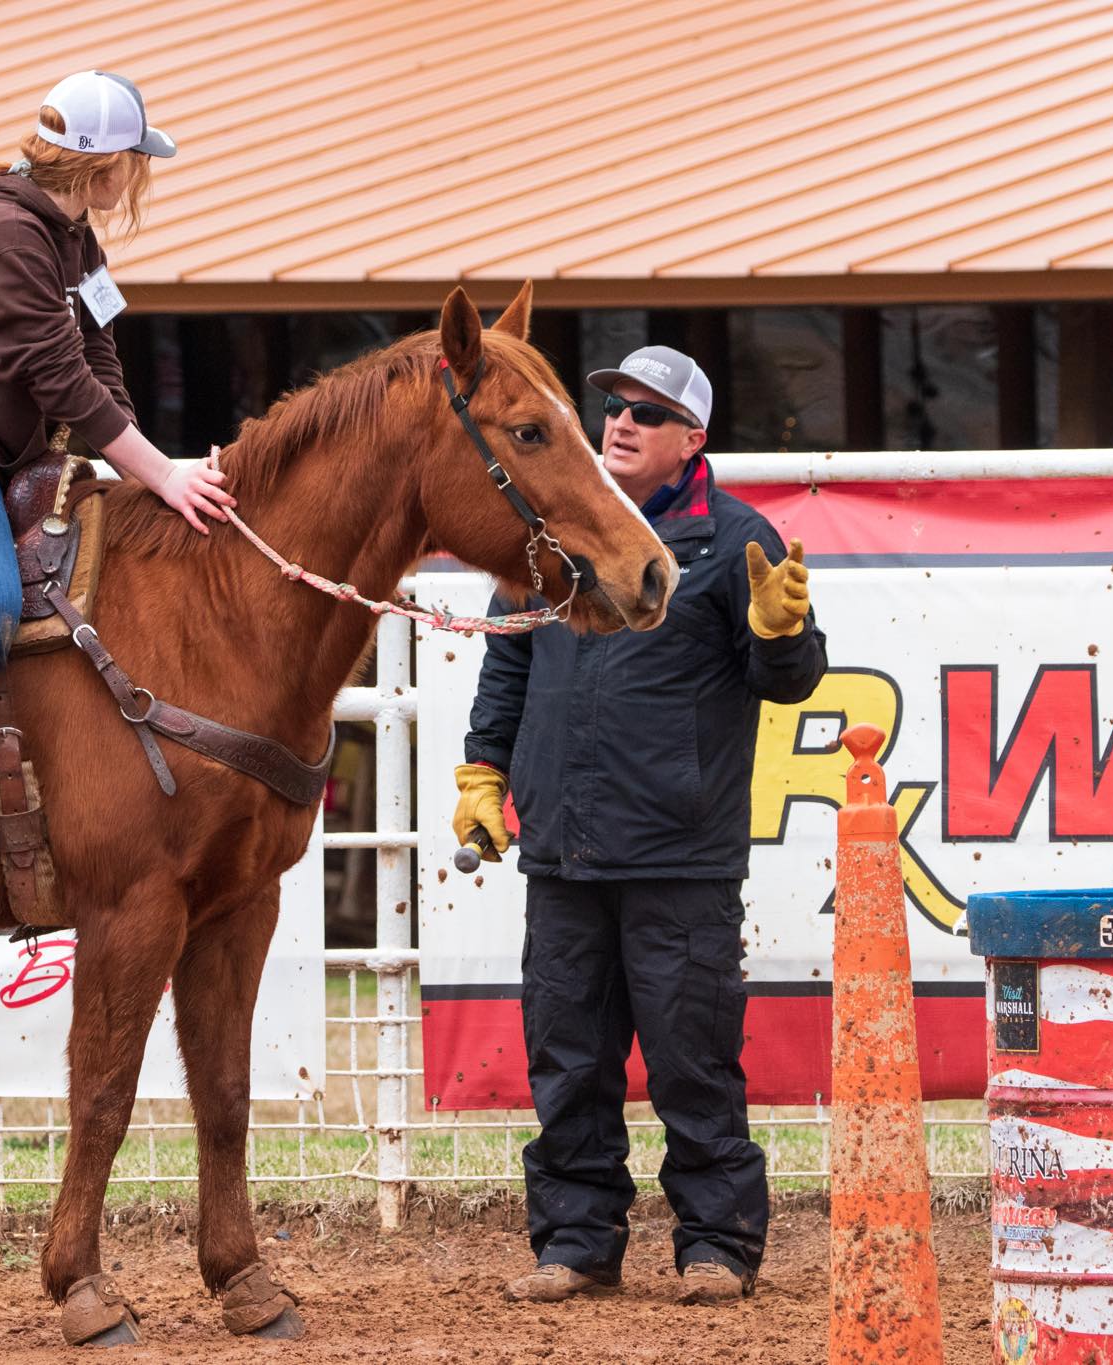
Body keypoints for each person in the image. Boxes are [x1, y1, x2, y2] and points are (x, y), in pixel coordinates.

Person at [453, 345, 828, 1305]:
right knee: (568, 1063)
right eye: (615, 405)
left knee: (693, 1061)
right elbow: (508, 669)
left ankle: (717, 1244)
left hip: (680, 857)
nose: (622, 422)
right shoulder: (553, 537)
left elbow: (784, 683)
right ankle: (575, 1242)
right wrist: (483, 773)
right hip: (566, 855)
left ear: (692, 441)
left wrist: (788, 634)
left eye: (648, 414)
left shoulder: (737, 539)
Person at [0, 71, 233, 909]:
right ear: (103, 169)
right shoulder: (2, 235)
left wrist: (136, 463)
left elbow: (95, 358)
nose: (139, 178)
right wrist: (161, 472)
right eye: (136, 161)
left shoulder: (71, 237)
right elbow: (57, 377)